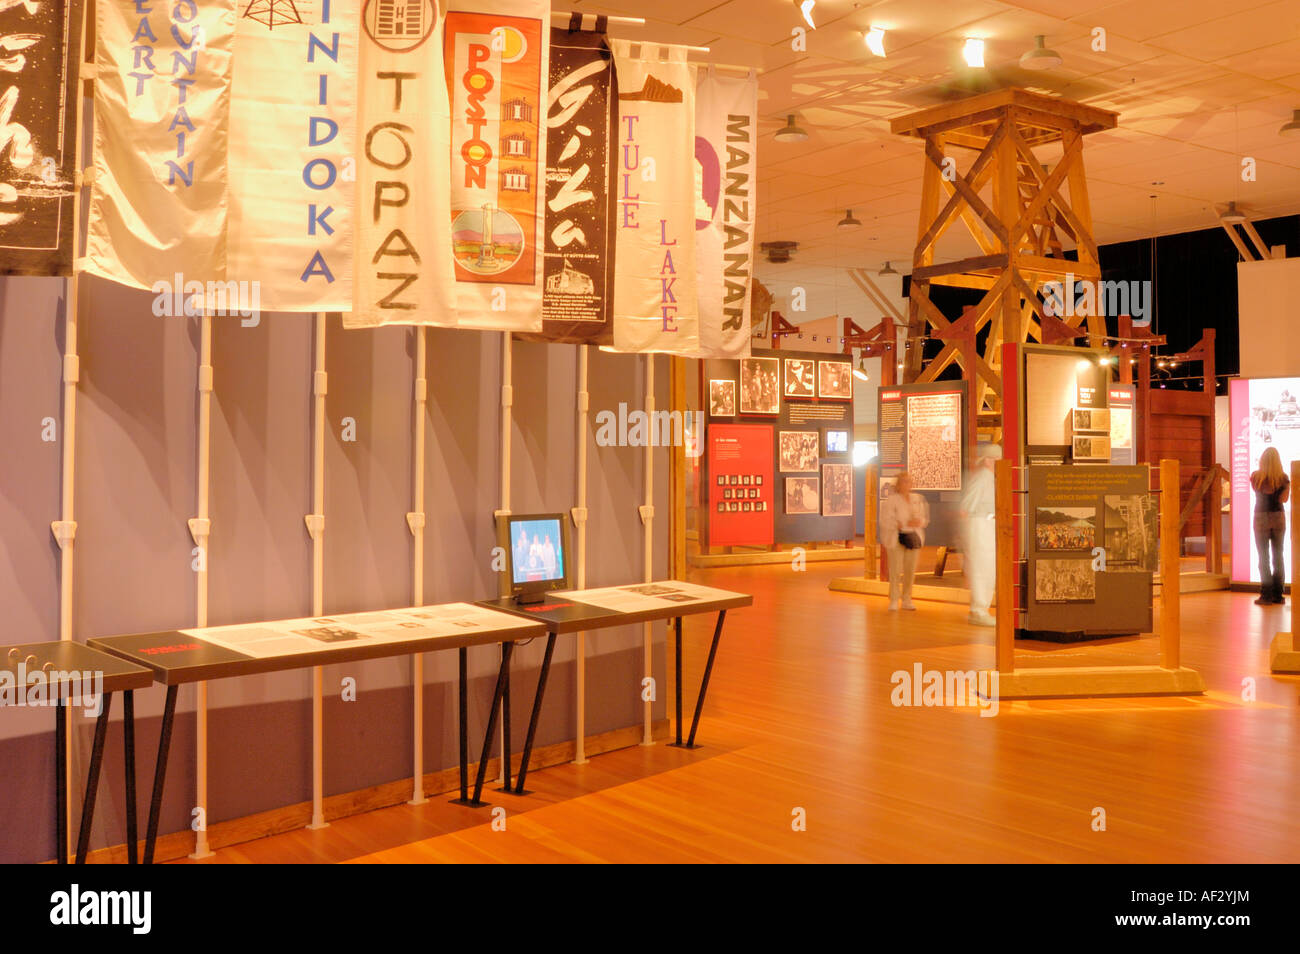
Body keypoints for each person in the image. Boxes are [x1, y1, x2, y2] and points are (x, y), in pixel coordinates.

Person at [960, 443, 1001, 626]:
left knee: (988, 569)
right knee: (982, 569)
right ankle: (978, 610)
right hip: (981, 526)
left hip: (987, 526)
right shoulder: (983, 478)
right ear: (987, 461)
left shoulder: (990, 478)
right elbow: (967, 507)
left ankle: (980, 608)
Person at [879, 471, 929, 611]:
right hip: (897, 538)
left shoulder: (917, 499)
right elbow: (885, 520)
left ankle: (907, 599)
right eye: (904, 481)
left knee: (910, 570)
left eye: (909, 481)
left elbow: (924, 518)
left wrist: (919, 522)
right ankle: (894, 599)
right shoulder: (892, 500)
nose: (907, 484)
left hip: (913, 538)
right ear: (898, 484)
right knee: (895, 570)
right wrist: (899, 524)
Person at [1251, 447, 1290, 605]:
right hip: (1278, 517)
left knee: (1263, 556)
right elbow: (1284, 500)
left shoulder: (1255, 477)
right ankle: (1278, 595)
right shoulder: (1284, 478)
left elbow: (1256, 491)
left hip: (1260, 517)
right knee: (1278, 555)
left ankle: (1265, 595)